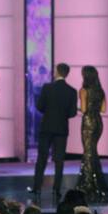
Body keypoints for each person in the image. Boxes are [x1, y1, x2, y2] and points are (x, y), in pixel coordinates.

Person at [32, 63, 77, 201]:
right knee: (59, 160)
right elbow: (72, 113)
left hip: (47, 127)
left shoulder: (47, 88)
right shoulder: (72, 91)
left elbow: (39, 107)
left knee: (42, 159)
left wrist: (50, 113)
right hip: (62, 129)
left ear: (57, 72)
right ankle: (56, 189)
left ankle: (36, 188)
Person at [77, 65, 108, 203]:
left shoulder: (83, 91)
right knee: (92, 152)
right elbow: (103, 109)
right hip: (98, 122)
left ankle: (89, 185)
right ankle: (98, 183)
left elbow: (84, 109)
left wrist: (77, 107)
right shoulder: (100, 91)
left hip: (88, 122)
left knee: (88, 153)